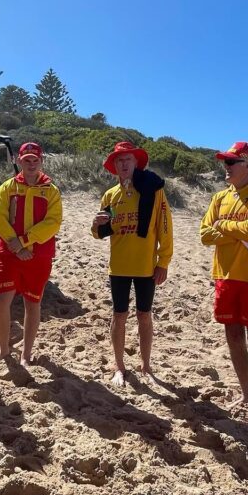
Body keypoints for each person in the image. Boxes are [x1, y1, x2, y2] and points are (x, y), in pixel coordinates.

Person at [200, 142, 248, 426]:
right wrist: (235, 232)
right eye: (225, 161)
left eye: (231, 162)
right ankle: (246, 395)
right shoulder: (220, 197)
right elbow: (204, 235)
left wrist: (222, 226)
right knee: (233, 336)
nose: (226, 166)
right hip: (225, 274)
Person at [92, 141, 173, 386]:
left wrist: (163, 262)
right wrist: (96, 225)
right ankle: (119, 367)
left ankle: (146, 366)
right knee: (119, 316)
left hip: (146, 266)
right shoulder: (110, 195)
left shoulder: (153, 190)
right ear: (114, 166)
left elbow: (165, 227)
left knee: (144, 315)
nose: (124, 163)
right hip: (118, 266)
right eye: (119, 160)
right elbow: (103, 231)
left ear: (137, 163)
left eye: (128, 159)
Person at [0, 142, 62, 366]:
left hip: (37, 257)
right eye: (26, 160)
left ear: (41, 162)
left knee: (32, 304)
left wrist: (23, 242)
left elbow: (53, 222)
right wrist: (16, 246)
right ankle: (3, 349)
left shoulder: (51, 190)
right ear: (18, 161)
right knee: (0, 301)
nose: (31, 164)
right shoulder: (8, 187)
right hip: (9, 254)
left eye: (35, 160)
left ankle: (26, 354)